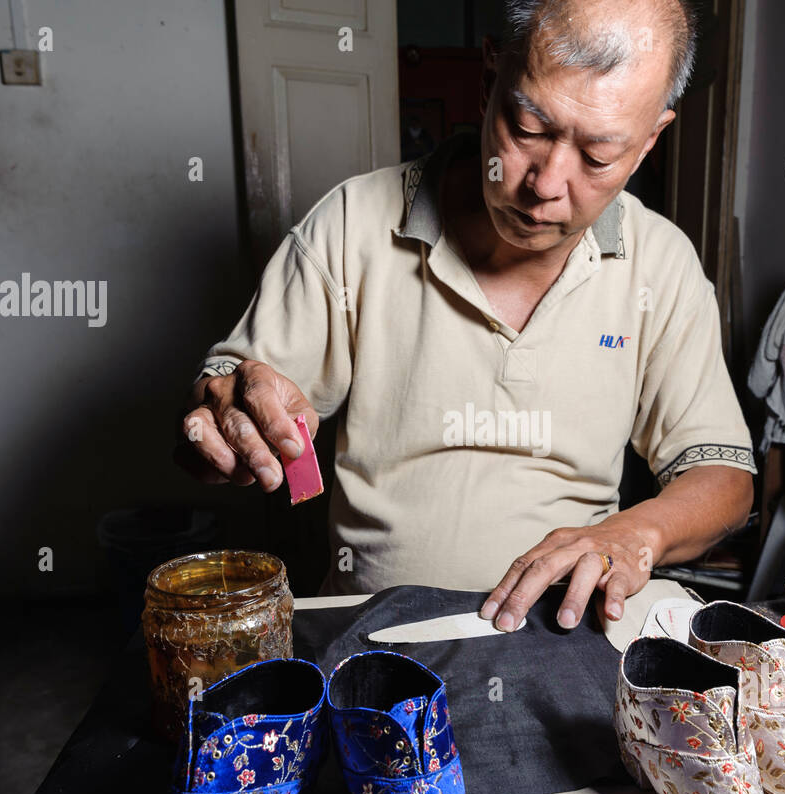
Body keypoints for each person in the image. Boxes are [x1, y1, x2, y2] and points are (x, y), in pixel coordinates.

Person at [176, 0, 755, 632]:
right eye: (528, 127)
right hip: (377, 627)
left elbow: (723, 477)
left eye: (597, 156)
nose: (546, 184)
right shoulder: (352, 226)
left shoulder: (661, 265)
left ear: (648, 143)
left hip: (564, 626)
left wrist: (635, 534)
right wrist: (227, 419)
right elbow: (218, 424)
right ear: (489, 82)